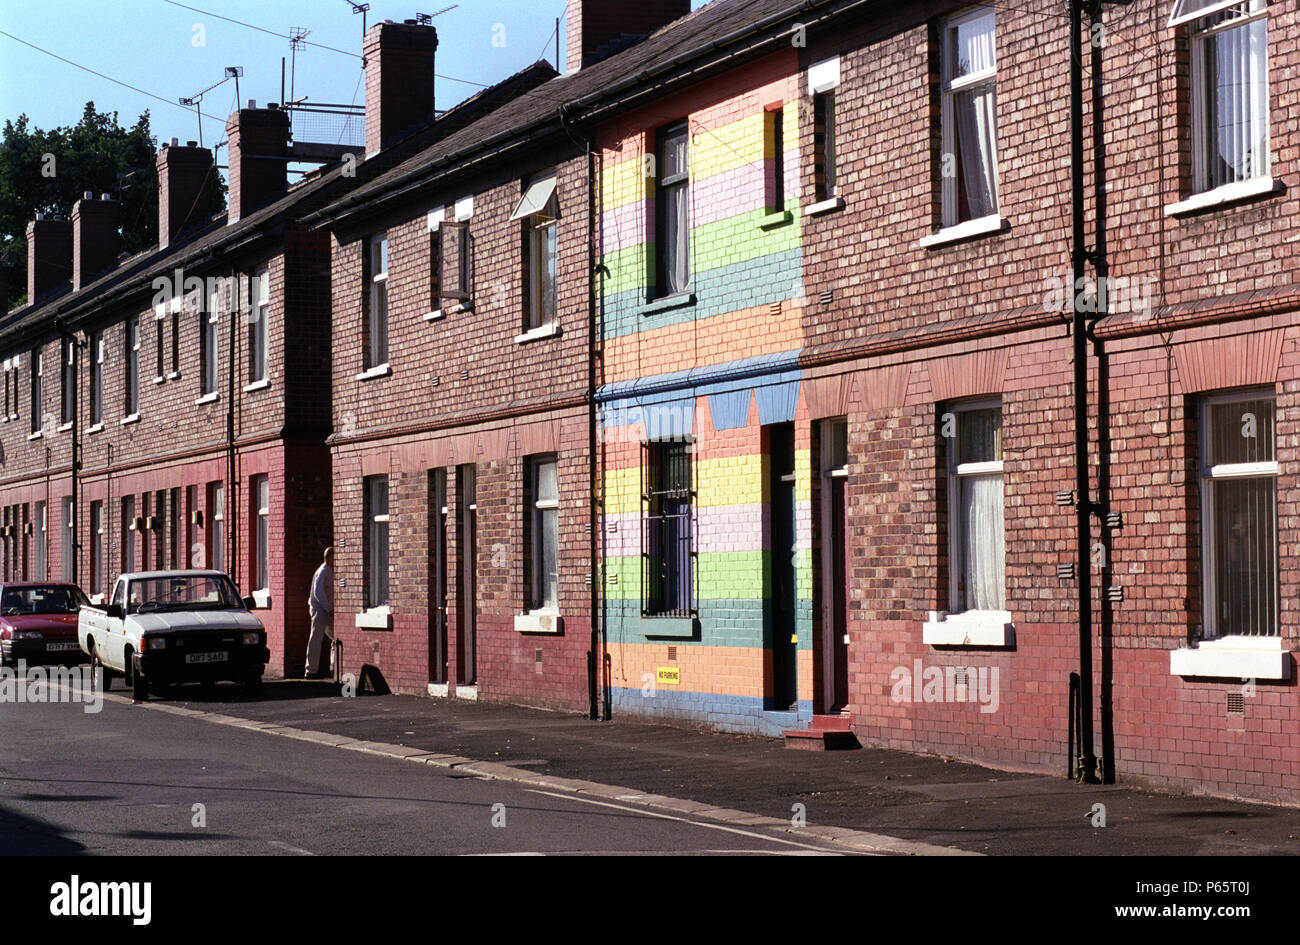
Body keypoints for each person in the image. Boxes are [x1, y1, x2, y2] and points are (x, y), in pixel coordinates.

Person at [305, 547, 335, 678]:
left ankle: (334, 668)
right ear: (329, 557)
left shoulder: (331, 570)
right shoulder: (322, 571)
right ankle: (311, 671)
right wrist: (328, 608)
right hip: (319, 609)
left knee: (335, 637)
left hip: (328, 608)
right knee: (316, 638)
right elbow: (318, 593)